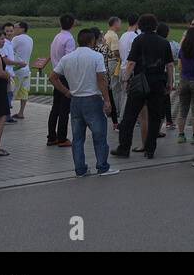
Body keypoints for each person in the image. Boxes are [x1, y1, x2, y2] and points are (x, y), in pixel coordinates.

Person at [50, 29, 118, 177]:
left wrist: (66, 91)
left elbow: (53, 77)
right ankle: (102, 166)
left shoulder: (67, 58)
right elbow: (101, 79)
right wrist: (107, 100)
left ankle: (80, 169)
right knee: (99, 135)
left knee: (78, 138)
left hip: (75, 100)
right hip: (92, 99)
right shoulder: (96, 56)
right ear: (92, 41)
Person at [113, 14, 175, 159]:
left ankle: (124, 148)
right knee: (155, 117)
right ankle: (150, 149)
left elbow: (131, 63)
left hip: (140, 83)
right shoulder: (163, 42)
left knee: (129, 117)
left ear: (140, 25)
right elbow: (170, 65)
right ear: (155, 26)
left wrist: (125, 79)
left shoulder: (138, 40)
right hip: (158, 82)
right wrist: (170, 83)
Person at [46, 14, 77, 147]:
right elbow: (69, 60)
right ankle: (62, 137)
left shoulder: (57, 37)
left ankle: (52, 136)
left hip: (56, 74)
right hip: (64, 76)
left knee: (55, 108)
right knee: (64, 109)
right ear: (73, 24)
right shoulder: (69, 39)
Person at [174, 27, 194, 144]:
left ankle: (181, 135)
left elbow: (179, 67)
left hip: (184, 81)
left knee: (182, 109)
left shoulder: (182, 50)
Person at [116, 14, 141, 127]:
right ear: (137, 23)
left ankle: (124, 119)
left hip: (122, 67)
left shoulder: (123, 36)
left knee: (123, 95)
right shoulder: (135, 37)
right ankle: (123, 121)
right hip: (130, 70)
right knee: (128, 97)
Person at [10, 22, 33, 120]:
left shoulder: (16, 39)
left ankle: (6, 114)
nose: (13, 29)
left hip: (17, 69)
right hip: (26, 69)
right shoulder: (30, 39)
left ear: (22, 29)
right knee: (24, 92)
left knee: (11, 91)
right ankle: (21, 112)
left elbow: (9, 49)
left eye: (15, 27)